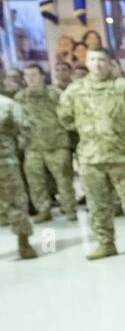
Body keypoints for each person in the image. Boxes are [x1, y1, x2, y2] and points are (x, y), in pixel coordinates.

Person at [57, 47, 125, 259]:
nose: (97, 64)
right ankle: (105, 242)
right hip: (91, 157)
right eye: (92, 59)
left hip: (124, 155)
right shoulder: (75, 90)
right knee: (97, 204)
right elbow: (65, 119)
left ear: (110, 63)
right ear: (87, 62)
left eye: (102, 60)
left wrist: (124, 135)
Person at [17, 63, 76, 221]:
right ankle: (43, 210)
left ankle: (69, 209)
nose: (30, 79)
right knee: (35, 181)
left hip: (56, 143)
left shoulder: (55, 94)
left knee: (64, 179)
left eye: (34, 75)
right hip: (33, 146)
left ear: (42, 76)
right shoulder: (21, 97)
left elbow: (68, 115)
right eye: (27, 76)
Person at [0, 89, 35, 259]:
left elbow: (26, 128)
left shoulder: (6, 104)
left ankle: (24, 242)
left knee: (15, 202)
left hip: (4, 163)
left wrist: (16, 151)